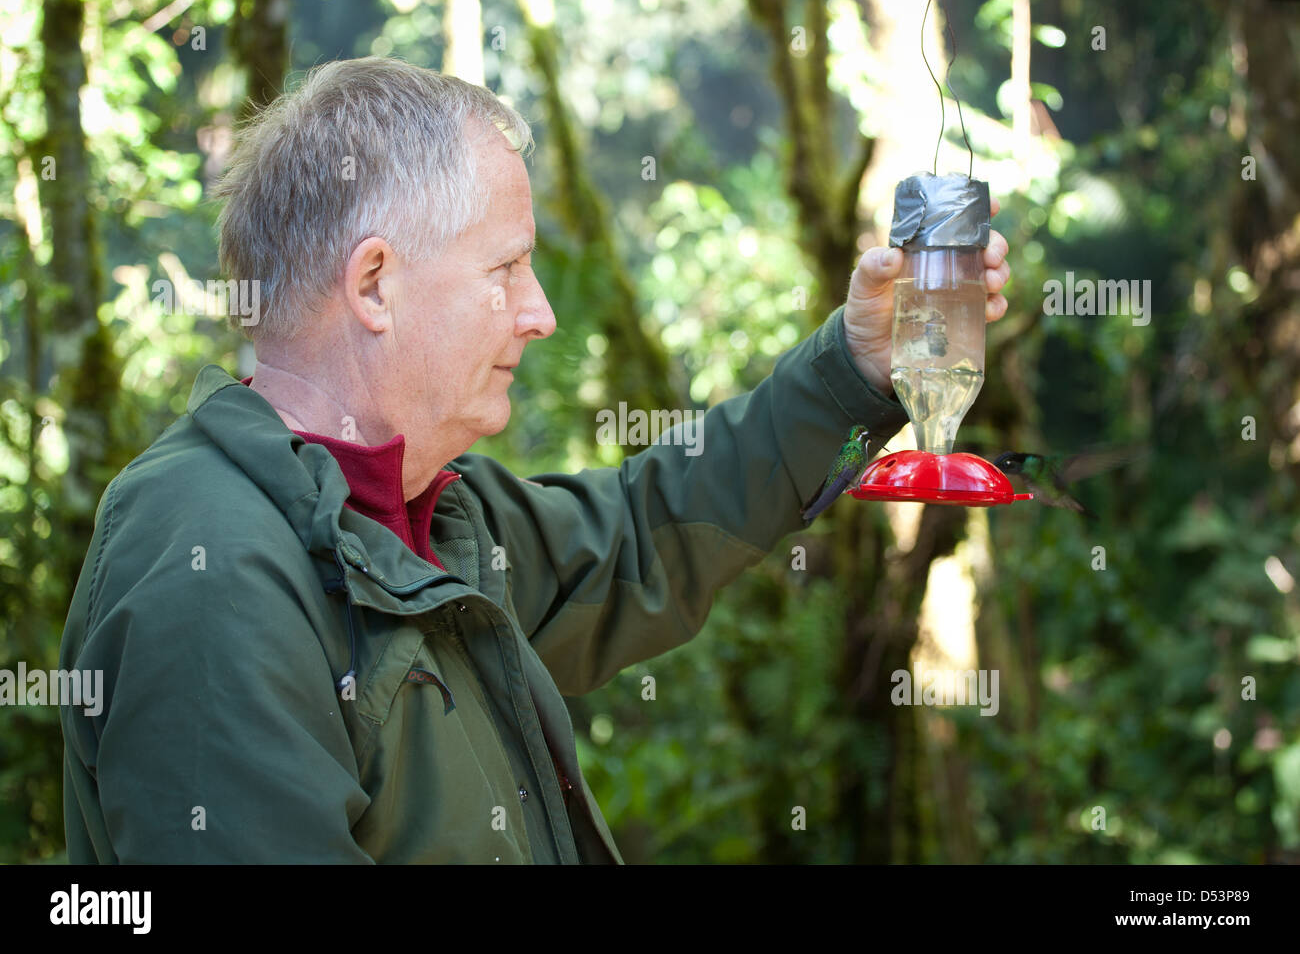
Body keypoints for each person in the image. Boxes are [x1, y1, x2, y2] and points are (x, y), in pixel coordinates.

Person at [58, 56, 1011, 863]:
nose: (540, 312)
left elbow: (652, 531)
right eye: (506, 267)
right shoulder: (213, 574)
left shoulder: (432, 515)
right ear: (375, 285)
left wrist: (853, 371)